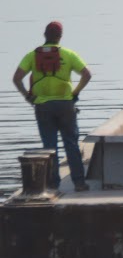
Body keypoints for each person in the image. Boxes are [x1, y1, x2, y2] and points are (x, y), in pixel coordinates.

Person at [12, 21, 92, 191]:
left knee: (49, 147)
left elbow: (17, 78)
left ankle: (53, 185)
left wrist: (28, 96)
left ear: (44, 35)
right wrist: (75, 93)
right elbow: (87, 74)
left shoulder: (32, 55)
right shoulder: (69, 54)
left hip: (42, 106)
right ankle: (79, 183)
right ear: (60, 36)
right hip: (66, 105)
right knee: (71, 143)